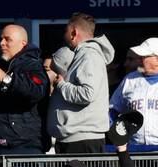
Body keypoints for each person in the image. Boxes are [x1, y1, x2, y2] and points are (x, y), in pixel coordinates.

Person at [45, 14, 114, 154]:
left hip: (81, 140)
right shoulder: (85, 55)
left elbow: (87, 94)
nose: (64, 35)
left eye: (66, 31)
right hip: (77, 138)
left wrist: (61, 84)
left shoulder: (88, 55)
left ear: (74, 32)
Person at [0, 25, 48, 153]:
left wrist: (7, 79)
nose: (2, 43)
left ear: (23, 43)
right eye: (1, 39)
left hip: (22, 147)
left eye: (8, 39)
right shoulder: (0, 66)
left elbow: (36, 90)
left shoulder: (32, 65)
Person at [111, 39, 158, 149]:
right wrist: (117, 135)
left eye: (144, 57)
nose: (140, 60)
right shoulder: (130, 79)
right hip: (135, 149)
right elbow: (113, 109)